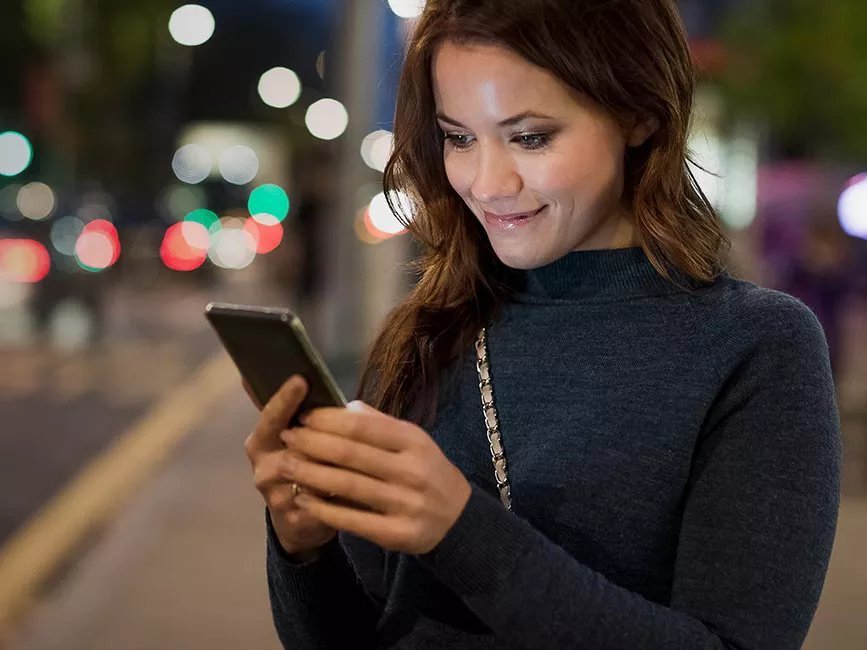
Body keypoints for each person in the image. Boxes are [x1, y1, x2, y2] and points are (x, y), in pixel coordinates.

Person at [244, 0, 841, 648]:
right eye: (458, 137)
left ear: (638, 114)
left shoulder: (756, 347)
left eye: (529, 137)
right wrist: (302, 546)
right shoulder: (424, 336)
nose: (488, 182)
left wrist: (459, 530)